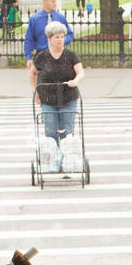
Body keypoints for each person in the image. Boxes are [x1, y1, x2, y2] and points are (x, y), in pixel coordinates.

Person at [29, 21, 84, 172]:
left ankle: (68, 160)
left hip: (68, 97)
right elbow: (32, 74)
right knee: (50, 130)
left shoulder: (70, 55)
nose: (60, 40)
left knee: (68, 131)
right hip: (48, 98)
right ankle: (53, 159)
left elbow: (80, 72)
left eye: (62, 37)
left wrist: (75, 81)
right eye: (56, 37)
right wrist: (35, 91)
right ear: (49, 39)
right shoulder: (42, 57)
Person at [23, 0, 73, 66]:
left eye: (56, 1)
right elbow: (29, 38)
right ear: (44, 2)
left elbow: (70, 35)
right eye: (53, 1)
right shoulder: (35, 19)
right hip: (41, 55)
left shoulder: (60, 18)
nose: (55, 4)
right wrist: (28, 57)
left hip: (58, 55)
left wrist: (60, 41)